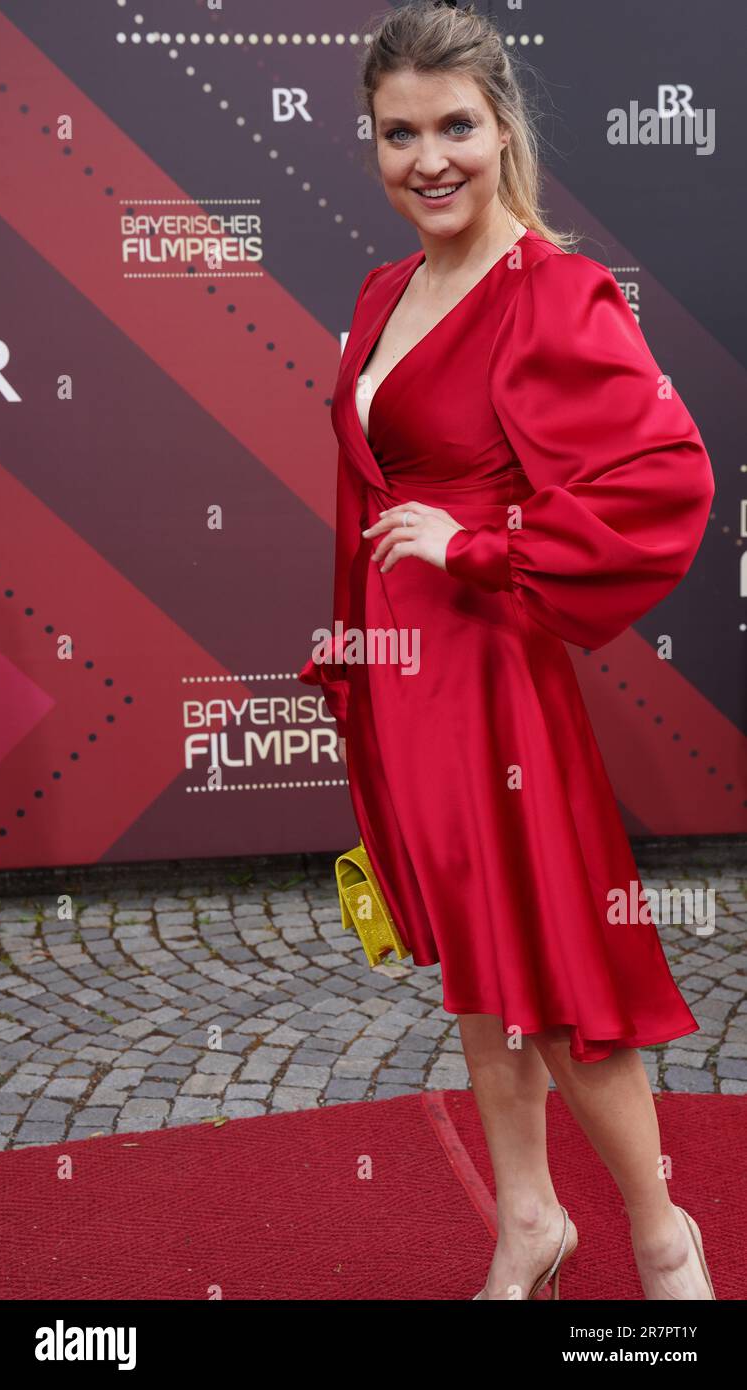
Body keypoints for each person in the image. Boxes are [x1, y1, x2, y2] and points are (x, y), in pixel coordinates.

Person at [298, 1, 716, 1299]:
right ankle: (527, 1219)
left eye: (454, 127)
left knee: (554, 960)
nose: (429, 157)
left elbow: (665, 478)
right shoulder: (384, 290)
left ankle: (661, 1239)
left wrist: (483, 550)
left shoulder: (551, 290)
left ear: (502, 129)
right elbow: (371, 492)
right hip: (403, 681)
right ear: (371, 142)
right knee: (480, 974)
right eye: (398, 132)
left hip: (490, 685)